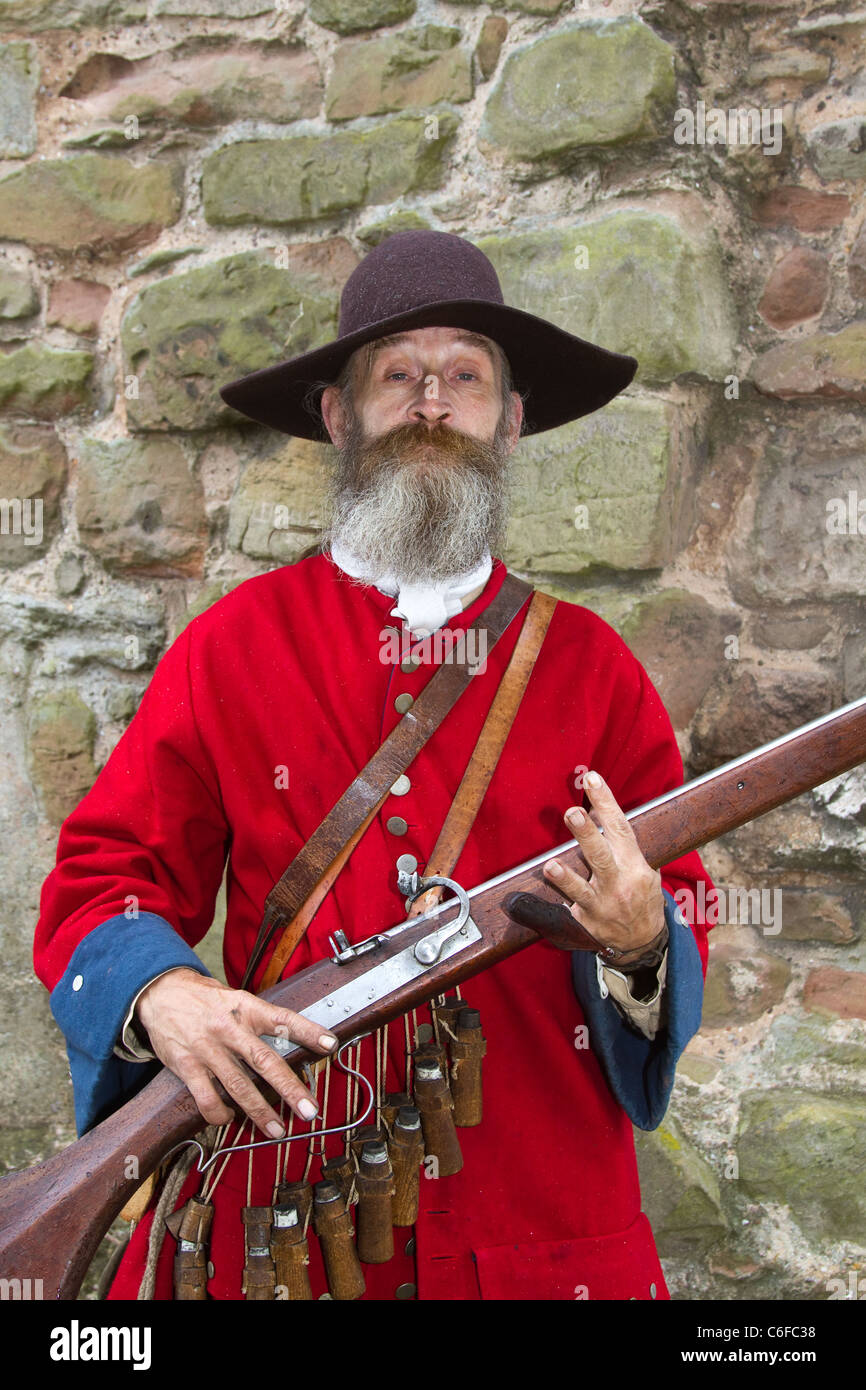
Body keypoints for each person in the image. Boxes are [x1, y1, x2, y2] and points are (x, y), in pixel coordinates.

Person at [34, 229, 713, 1301]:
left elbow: (677, 898)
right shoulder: (231, 647)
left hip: (539, 1237)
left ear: (512, 417)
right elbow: (102, 878)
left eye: (464, 376)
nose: (431, 403)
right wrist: (164, 990)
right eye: (397, 374)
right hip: (282, 1227)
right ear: (338, 414)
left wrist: (641, 942)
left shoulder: (593, 668)